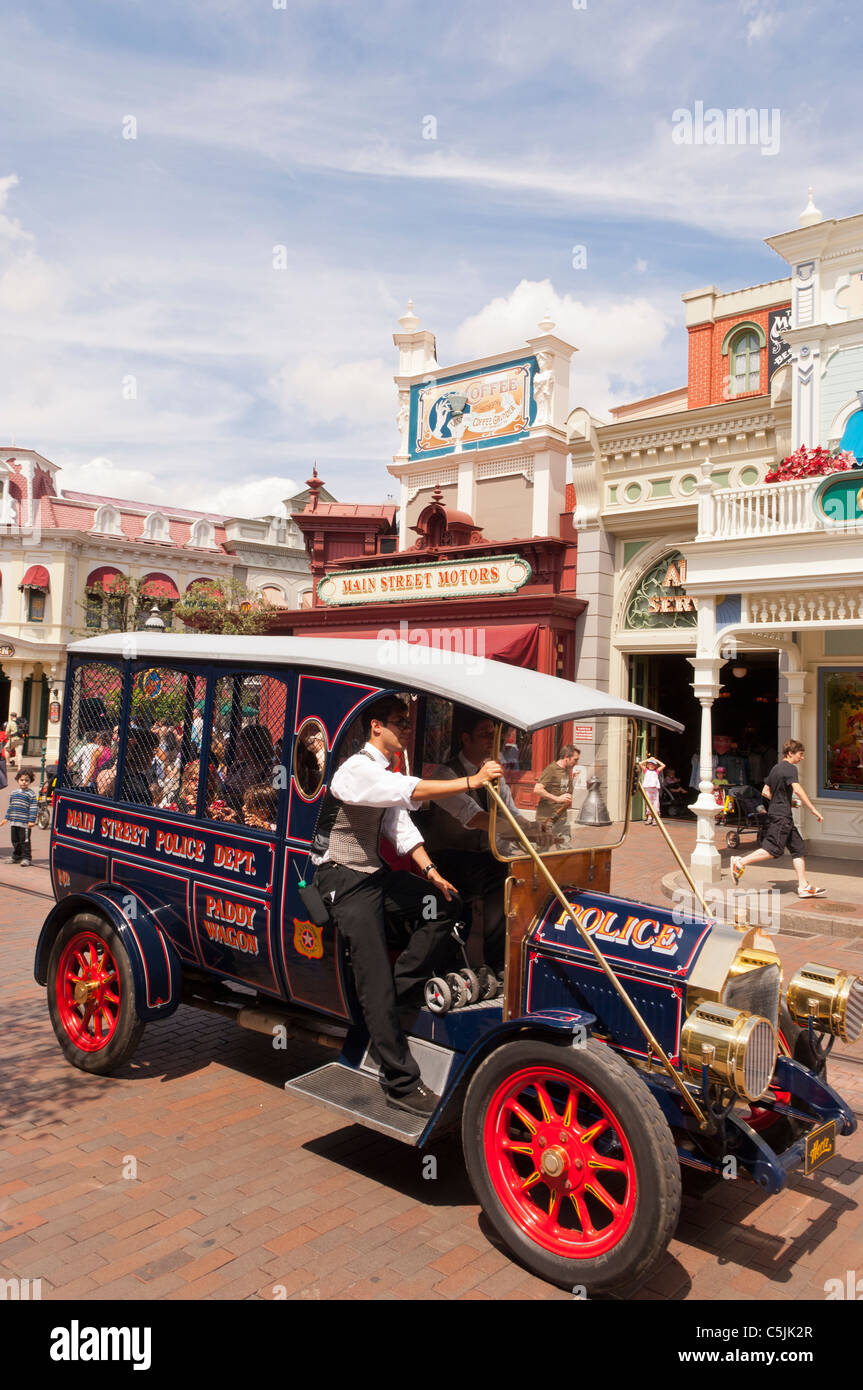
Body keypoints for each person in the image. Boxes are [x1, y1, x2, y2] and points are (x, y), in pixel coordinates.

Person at [311, 695, 504, 1118]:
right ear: (376, 727)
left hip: (373, 874)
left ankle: (402, 988)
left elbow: (400, 825)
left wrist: (431, 871)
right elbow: (409, 791)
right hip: (342, 878)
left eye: (408, 722)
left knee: (443, 906)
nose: (407, 729)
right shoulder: (356, 770)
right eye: (400, 722)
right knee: (372, 973)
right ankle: (399, 1081)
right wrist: (472, 782)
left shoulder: (386, 771)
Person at [423, 709, 538, 974]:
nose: (491, 741)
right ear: (466, 738)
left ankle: (499, 963)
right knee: (495, 876)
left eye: (494, 736)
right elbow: (476, 818)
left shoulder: (495, 776)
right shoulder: (445, 774)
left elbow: (512, 812)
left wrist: (537, 829)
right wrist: (525, 831)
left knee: (514, 875)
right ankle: (461, 963)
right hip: (450, 856)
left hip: (485, 855)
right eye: (485, 735)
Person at [731, 739, 825, 898]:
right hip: (782, 817)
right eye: (800, 754)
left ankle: (803, 887)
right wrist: (813, 809)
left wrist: (785, 801)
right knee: (773, 849)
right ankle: (740, 863)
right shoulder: (790, 768)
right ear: (790, 753)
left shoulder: (775, 768)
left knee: (798, 849)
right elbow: (799, 790)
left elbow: (765, 791)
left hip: (780, 814)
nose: (802, 758)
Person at [534, 745, 582, 834]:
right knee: (540, 847)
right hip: (547, 819)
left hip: (561, 818)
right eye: (575, 760)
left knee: (566, 847)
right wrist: (557, 799)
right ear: (566, 757)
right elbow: (537, 789)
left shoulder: (566, 770)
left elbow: (563, 790)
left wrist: (572, 780)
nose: (577, 763)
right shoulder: (551, 769)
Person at [1, 769, 38, 865]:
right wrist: (6, 818)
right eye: (22, 780)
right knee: (15, 841)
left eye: (26, 780)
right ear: (18, 780)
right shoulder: (14, 793)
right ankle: (16, 856)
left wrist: (31, 820)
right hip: (14, 822)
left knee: (25, 841)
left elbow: (34, 808)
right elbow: (11, 806)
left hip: (24, 823)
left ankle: (27, 858)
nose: (24, 782)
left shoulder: (31, 794)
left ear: (30, 781)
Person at [639, 756, 665, 825]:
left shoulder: (656, 771)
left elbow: (663, 765)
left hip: (654, 790)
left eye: (653, 764)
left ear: (655, 766)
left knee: (656, 804)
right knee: (648, 804)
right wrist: (648, 759)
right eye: (650, 764)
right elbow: (640, 763)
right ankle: (649, 818)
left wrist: (656, 760)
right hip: (648, 789)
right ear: (647, 765)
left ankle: (655, 818)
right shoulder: (646, 770)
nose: (651, 765)